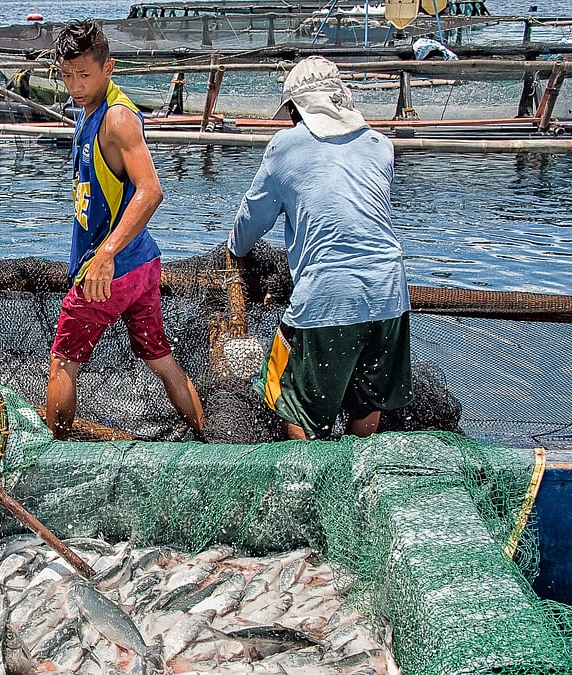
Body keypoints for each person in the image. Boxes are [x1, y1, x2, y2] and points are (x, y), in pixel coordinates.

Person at [228, 56, 413, 441]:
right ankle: (361, 482)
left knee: (286, 397)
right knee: (367, 399)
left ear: (296, 109)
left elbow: (251, 222)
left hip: (327, 295)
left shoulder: (285, 147)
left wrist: (235, 247)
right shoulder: (380, 145)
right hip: (390, 294)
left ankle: (311, 482)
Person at [45, 19, 206, 441]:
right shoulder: (89, 112)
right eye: (66, 76)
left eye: (84, 75)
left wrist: (105, 254)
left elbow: (151, 192)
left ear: (108, 67)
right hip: (142, 266)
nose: (75, 85)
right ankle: (207, 442)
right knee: (160, 357)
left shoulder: (116, 119)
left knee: (62, 362)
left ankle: (52, 458)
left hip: (110, 270)